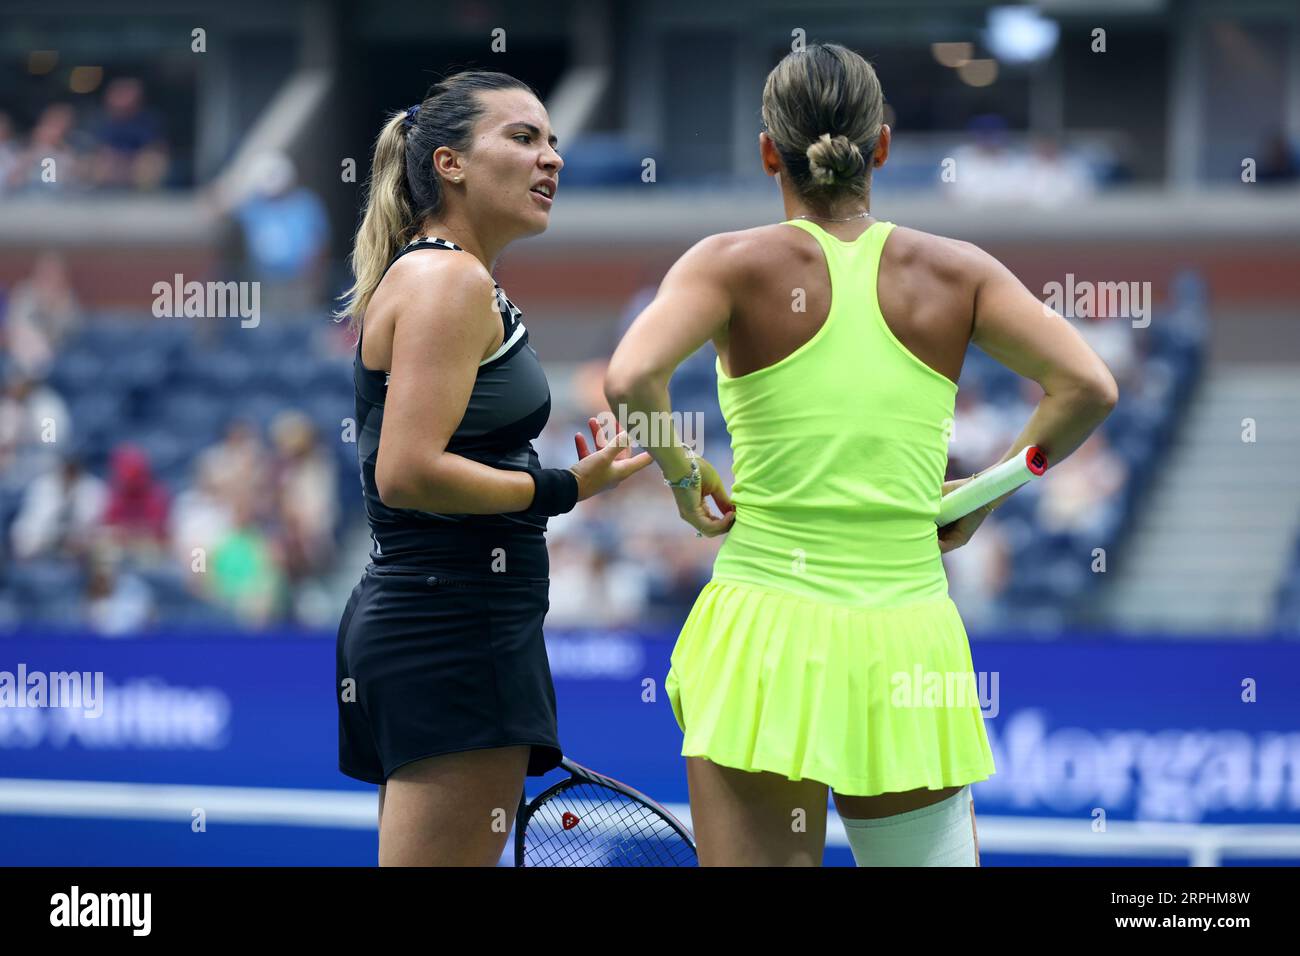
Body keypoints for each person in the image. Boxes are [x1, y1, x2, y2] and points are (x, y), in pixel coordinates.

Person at [605, 43, 1118, 866]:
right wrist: (980, 496)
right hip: (909, 639)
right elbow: (1089, 387)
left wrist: (680, 473)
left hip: (764, 633)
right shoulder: (959, 272)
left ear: (768, 150)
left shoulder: (727, 264)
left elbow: (632, 377)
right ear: (882, 145)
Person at [332, 71, 651, 866]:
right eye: (522, 138)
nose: (551, 159)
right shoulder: (448, 279)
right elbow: (406, 471)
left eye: (552, 141)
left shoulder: (453, 275)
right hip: (453, 630)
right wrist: (565, 488)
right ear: (450, 164)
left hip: (456, 620)